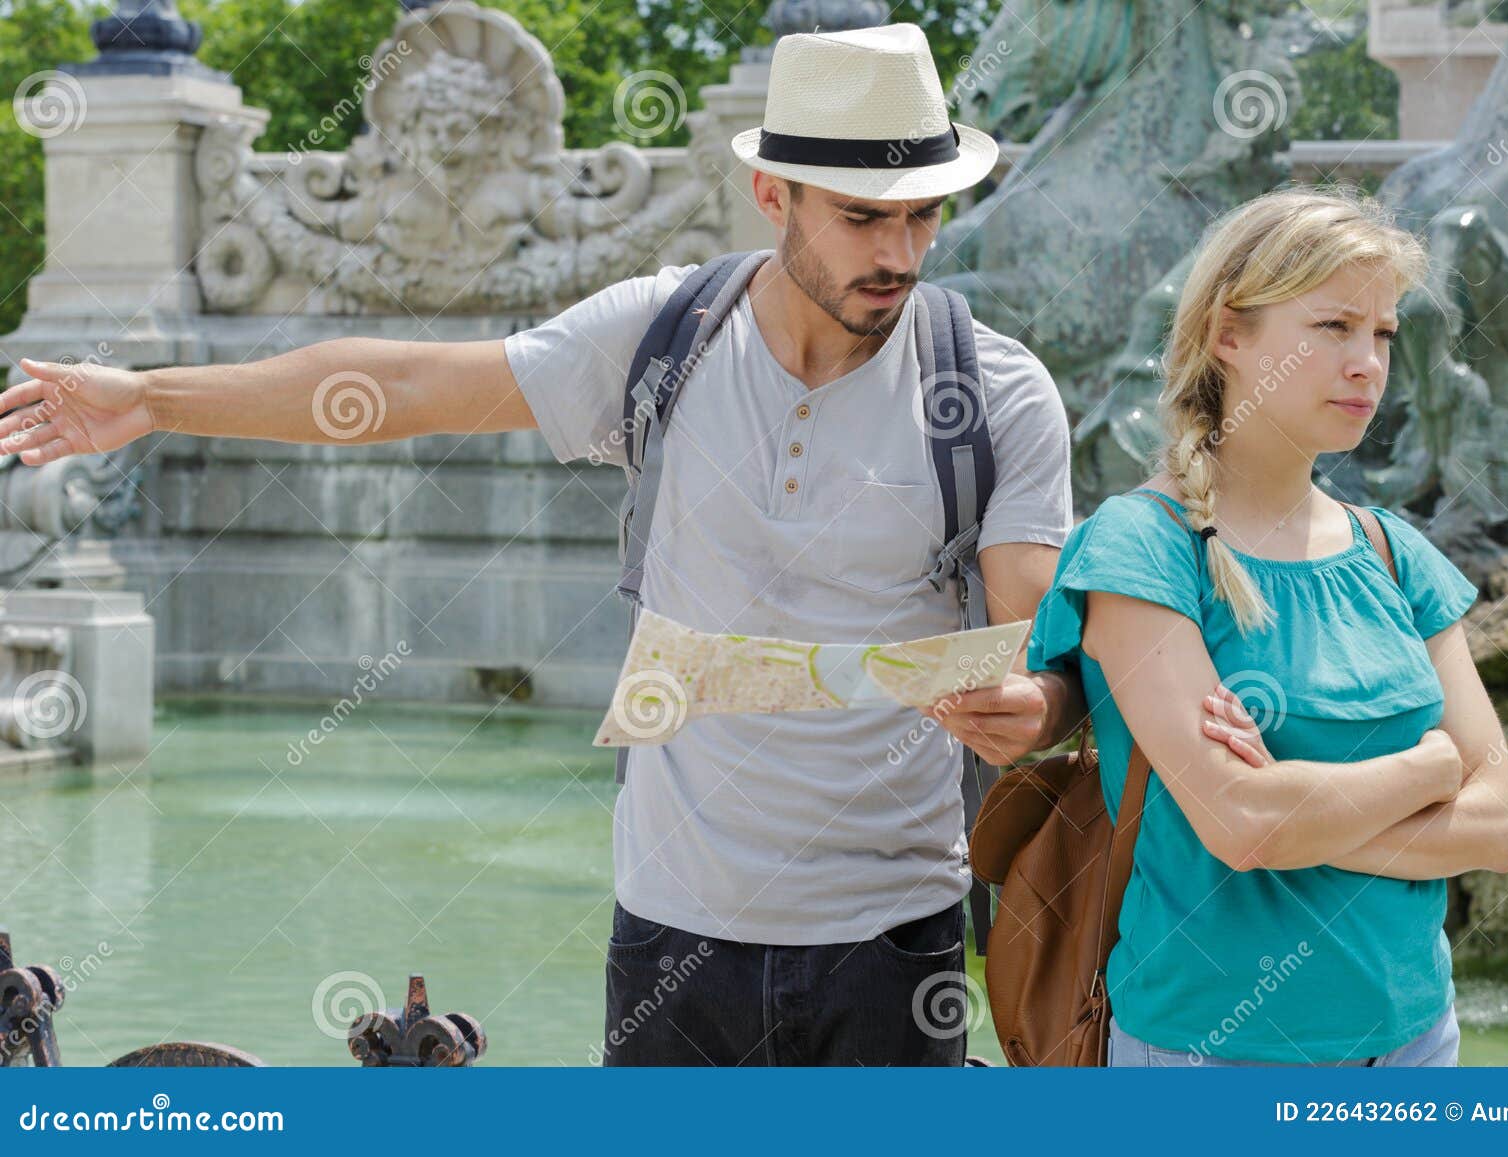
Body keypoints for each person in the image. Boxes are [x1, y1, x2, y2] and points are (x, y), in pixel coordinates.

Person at [0, 23, 1078, 1065]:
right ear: (772, 196)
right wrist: (149, 397)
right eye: (861, 218)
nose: (899, 254)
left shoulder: (991, 390)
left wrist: (1036, 708)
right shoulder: (667, 341)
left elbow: (1044, 658)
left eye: (923, 218)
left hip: (896, 936)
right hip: (672, 930)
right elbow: (406, 385)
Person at [997, 186, 1508, 1067]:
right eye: (1331, 327)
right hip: (1209, 1054)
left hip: (1419, 1043)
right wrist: (1431, 767)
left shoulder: (1396, 553)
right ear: (1228, 336)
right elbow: (1244, 826)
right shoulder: (1140, 547)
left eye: (1383, 333)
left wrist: (1298, 814)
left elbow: (1499, 829)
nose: (1368, 363)